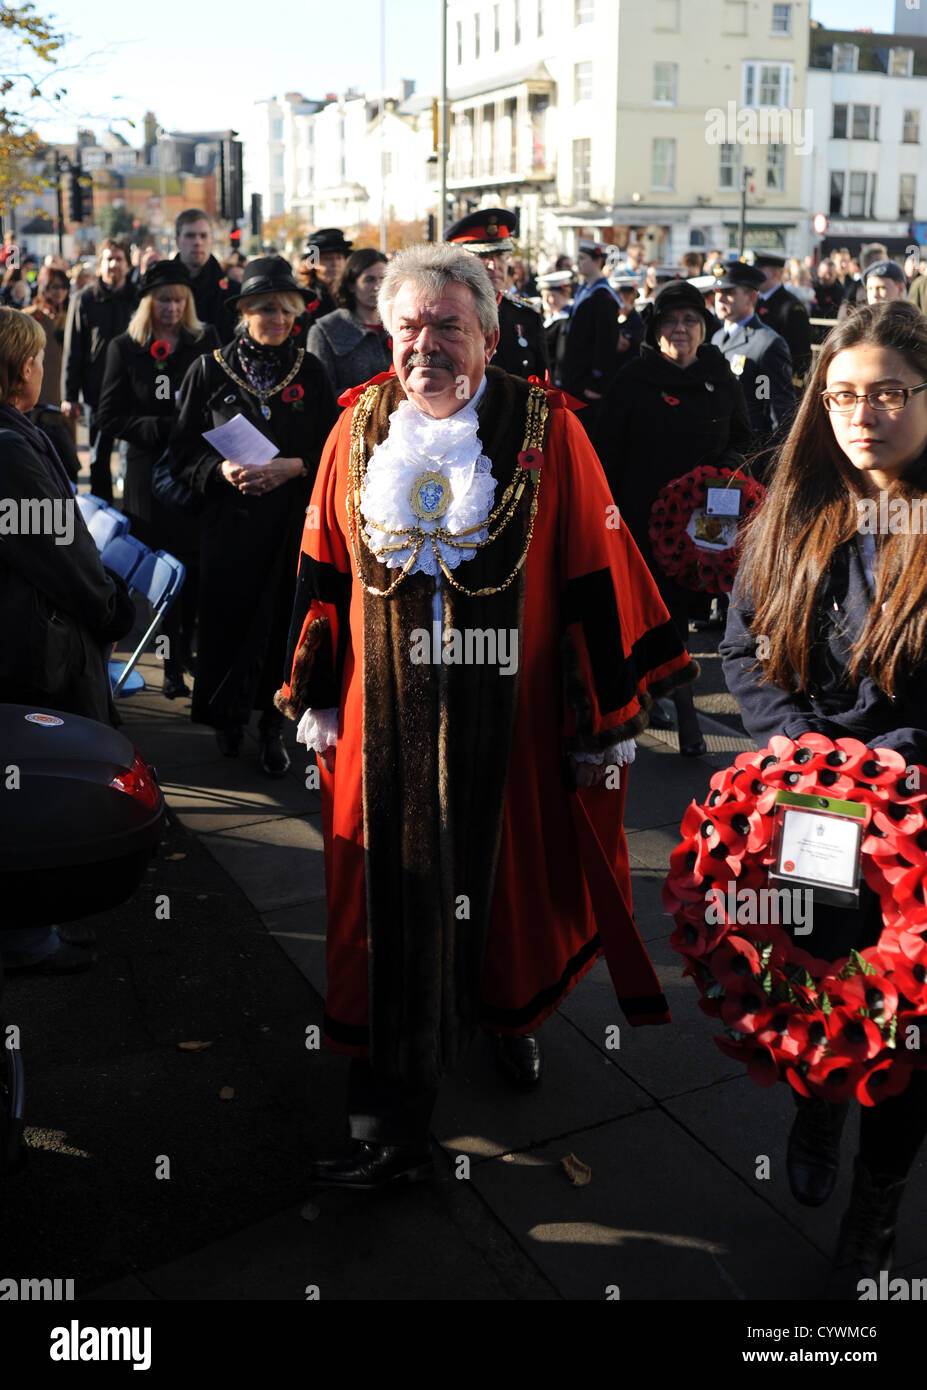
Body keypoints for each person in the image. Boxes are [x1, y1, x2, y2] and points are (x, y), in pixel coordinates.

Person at [273, 243, 696, 1189]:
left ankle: (506, 1025)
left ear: (490, 335)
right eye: (408, 328)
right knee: (381, 915)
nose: (426, 346)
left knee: (504, 904)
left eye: (448, 327)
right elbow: (322, 564)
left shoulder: (547, 430)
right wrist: (313, 690)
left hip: (509, 718)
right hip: (379, 721)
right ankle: (390, 1126)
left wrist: (600, 722)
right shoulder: (358, 424)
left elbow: (597, 573)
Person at [719, 300, 927, 1297]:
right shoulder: (792, 509)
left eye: (889, 392)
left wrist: (898, 765)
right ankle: (817, 1102)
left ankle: (877, 1204)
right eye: (844, 393)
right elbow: (746, 654)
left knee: (911, 1035)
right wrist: (801, 752)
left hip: (922, 818)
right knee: (819, 987)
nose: (864, 413)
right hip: (813, 814)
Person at [0, 306, 135, 972]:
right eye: (36, 362)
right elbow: (61, 554)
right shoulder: (9, 446)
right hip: (25, 646)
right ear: (23, 368)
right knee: (31, 793)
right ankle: (25, 936)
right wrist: (113, 609)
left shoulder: (17, 434)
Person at [170, 256, 337, 775]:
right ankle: (227, 718)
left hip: (289, 526)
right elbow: (179, 456)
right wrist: (220, 471)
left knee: (280, 629)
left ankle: (271, 727)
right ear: (244, 312)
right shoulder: (208, 369)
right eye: (267, 309)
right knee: (227, 623)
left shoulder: (310, 372)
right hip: (230, 528)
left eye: (289, 311)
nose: (280, 320)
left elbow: (332, 451)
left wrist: (293, 467)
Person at [592, 278, 752, 756]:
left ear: (704, 328)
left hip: (708, 521)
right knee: (660, 615)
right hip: (644, 520)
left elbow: (745, 439)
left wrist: (722, 477)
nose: (680, 329)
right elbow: (605, 453)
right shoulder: (633, 380)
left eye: (689, 320)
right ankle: (683, 717)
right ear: (654, 328)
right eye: (670, 321)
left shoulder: (721, 376)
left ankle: (668, 703)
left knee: (686, 613)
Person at [96, 261, 219, 698]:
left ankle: (187, 653)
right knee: (160, 572)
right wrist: (162, 428)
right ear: (149, 303)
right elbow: (108, 417)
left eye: (179, 300)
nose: (172, 308)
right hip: (148, 474)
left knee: (193, 567)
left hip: (193, 470)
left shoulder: (203, 342)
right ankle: (168, 663)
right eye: (164, 299)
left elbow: (219, 401)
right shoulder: (124, 348)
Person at [61, 239, 136, 502]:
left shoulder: (138, 298)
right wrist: (69, 395)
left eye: (119, 259)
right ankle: (100, 509)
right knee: (99, 457)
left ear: (128, 264)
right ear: (100, 264)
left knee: (132, 456)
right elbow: (75, 349)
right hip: (97, 392)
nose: (114, 265)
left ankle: (131, 512)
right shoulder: (85, 300)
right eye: (109, 259)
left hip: (134, 391)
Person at [444, 208, 547, 380]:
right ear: (460, 261)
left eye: (500, 256)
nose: (494, 266)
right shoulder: (444, 314)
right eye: (483, 256)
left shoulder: (526, 316)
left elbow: (542, 385)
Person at [711, 260, 794, 451]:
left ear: (751, 298)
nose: (721, 299)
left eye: (729, 293)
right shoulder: (716, 337)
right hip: (720, 447)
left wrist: (768, 460)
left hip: (750, 450)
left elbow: (777, 412)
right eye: (717, 293)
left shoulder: (766, 343)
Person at [22, 266, 79, 480]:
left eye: (63, 287)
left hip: (62, 398)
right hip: (36, 401)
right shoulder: (30, 318)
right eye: (53, 286)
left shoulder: (70, 316)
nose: (59, 292)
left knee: (66, 464)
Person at [306, 249, 390, 394]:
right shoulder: (324, 331)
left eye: (383, 278)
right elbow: (320, 394)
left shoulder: (402, 325)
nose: (378, 287)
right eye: (369, 280)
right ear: (351, 285)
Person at [559, 238, 621, 427]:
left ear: (597, 261)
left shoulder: (603, 295)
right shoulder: (584, 289)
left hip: (588, 381)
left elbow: (607, 341)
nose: (579, 262)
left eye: (583, 258)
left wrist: (598, 380)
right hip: (576, 375)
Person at [173, 208, 236, 341]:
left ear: (212, 240)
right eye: (190, 235)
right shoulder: (161, 290)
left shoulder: (232, 293)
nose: (197, 242)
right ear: (177, 240)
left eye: (203, 236)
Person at [753, 251, 812, 391]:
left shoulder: (791, 306)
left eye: (760, 271)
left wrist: (791, 383)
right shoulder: (755, 302)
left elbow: (800, 353)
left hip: (777, 382)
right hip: (756, 378)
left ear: (774, 273)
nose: (755, 276)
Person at [297, 228, 353, 335]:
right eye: (327, 258)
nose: (335, 263)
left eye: (339, 257)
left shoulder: (353, 293)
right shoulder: (305, 298)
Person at [536, 269, 573, 386]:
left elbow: (561, 356)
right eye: (544, 296)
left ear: (565, 294)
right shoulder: (548, 318)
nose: (546, 301)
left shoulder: (566, 320)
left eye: (551, 296)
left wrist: (557, 380)